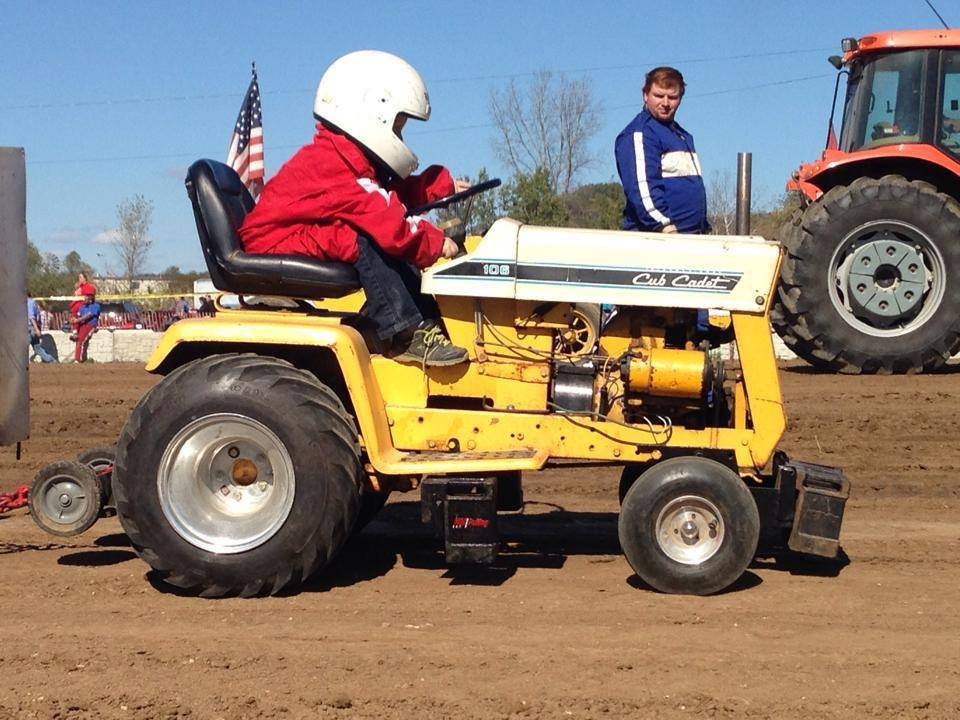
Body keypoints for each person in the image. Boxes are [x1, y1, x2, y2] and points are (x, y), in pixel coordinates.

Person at [239, 50, 469, 367]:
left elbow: (387, 195)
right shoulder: (336, 166)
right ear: (373, 113)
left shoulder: (344, 158)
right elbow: (386, 218)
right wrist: (436, 242)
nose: (400, 137)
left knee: (374, 230)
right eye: (398, 128)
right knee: (365, 236)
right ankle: (405, 333)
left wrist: (440, 186)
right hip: (273, 241)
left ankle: (412, 319)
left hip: (284, 233)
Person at [615, 66, 710, 235]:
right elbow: (642, 190)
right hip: (658, 239)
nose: (665, 103)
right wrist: (665, 227)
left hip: (690, 238)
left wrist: (704, 228)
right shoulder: (641, 133)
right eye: (659, 96)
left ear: (680, 98)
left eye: (672, 97)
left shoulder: (682, 136)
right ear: (645, 95)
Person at [72, 283, 100, 363]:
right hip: (82, 324)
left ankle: (78, 359)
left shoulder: (96, 306)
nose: (85, 297)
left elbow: (89, 315)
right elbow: (78, 315)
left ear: (91, 297)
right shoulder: (82, 307)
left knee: (80, 340)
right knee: (78, 339)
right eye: (85, 295)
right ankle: (78, 358)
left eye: (87, 296)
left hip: (90, 324)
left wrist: (77, 320)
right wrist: (74, 321)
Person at [27, 292, 57, 363]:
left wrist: (36, 329)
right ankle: (51, 360)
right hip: (33, 327)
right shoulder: (33, 302)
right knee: (37, 348)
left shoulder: (29, 303)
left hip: (30, 327)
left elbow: (31, 317)